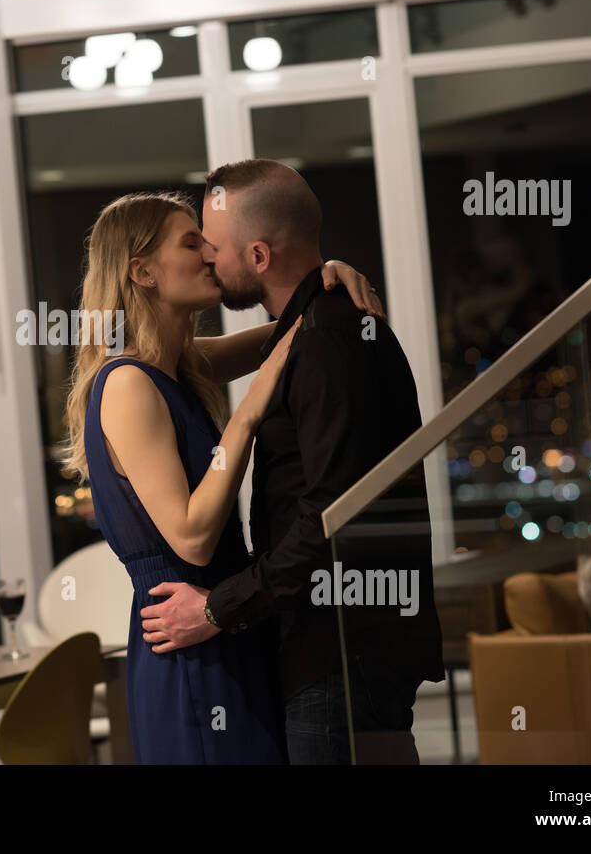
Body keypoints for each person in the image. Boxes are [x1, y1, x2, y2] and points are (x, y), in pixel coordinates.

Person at [61, 189, 384, 764]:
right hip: (189, 642)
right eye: (193, 244)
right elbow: (190, 535)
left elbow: (287, 332)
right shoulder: (129, 383)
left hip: (222, 623)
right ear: (142, 272)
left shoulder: (178, 368)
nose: (211, 256)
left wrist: (322, 274)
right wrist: (250, 413)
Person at [139, 160, 445, 764]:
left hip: (339, 648)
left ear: (257, 257)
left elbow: (333, 518)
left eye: (213, 245)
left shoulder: (328, 339)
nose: (205, 258)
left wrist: (213, 609)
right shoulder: (313, 328)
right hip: (333, 643)